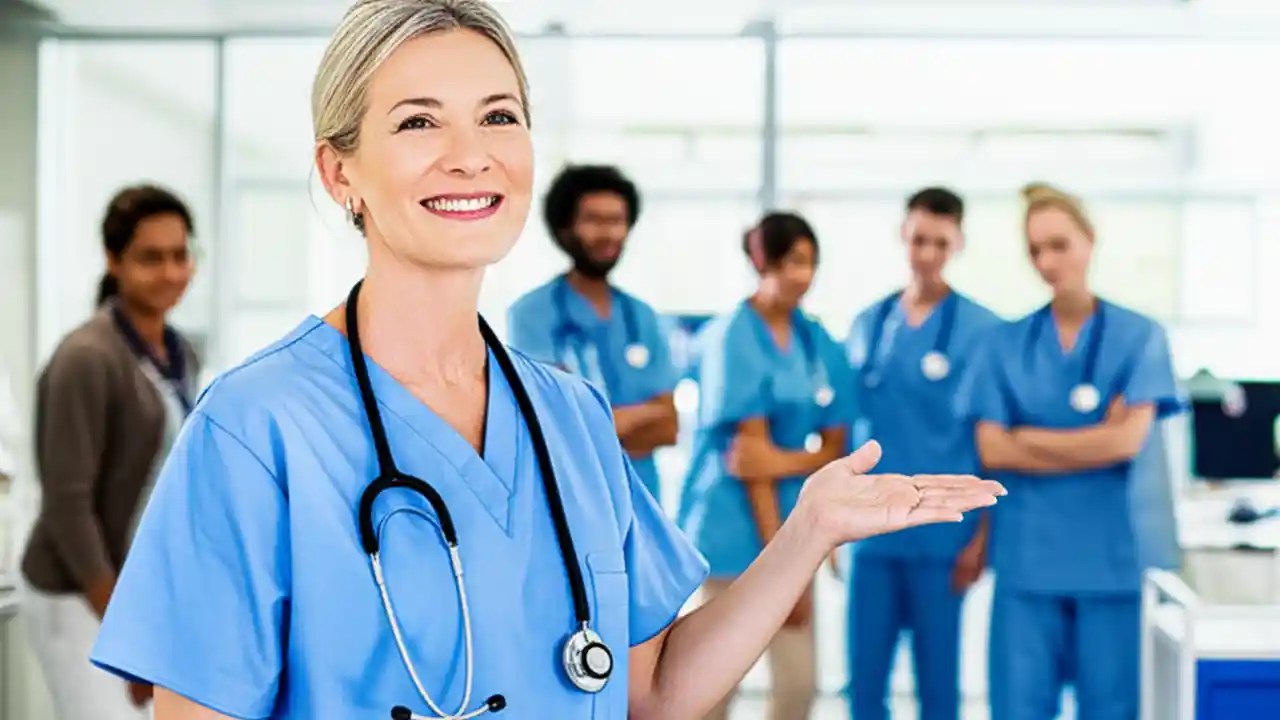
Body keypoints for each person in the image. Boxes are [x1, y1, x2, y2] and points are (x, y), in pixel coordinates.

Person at [88, 3, 1004, 719]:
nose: (470, 155)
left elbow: (655, 692)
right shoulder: (257, 426)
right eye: (417, 123)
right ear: (340, 173)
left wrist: (806, 532)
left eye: (499, 115)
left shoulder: (567, 416)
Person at [957, 183, 1184, 720]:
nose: (1047, 261)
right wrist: (1091, 441)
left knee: (1111, 708)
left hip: (1110, 566)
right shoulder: (1004, 344)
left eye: (1059, 244)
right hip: (1027, 567)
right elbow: (991, 447)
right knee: (1018, 709)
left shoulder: (1140, 337)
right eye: (1035, 250)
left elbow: (1128, 441)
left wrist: (1028, 438)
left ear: (1090, 240)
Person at [20, 184, 199, 720]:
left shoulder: (179, 350)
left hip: (131, 588)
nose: (170, 272)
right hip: (77, 589)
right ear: (113, 261)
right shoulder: (86, 358)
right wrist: (125, 629)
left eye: (180, 255)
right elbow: (67, 507)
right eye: (151, 258)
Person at [676, 212, 855, 720]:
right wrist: (785, 567)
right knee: (709, 689)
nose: (803, 275)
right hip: (733, 532)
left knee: (799, 685)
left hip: (796, 527)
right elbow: (749, 467)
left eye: (810, 263)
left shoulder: (815, 338)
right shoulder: (734, 335)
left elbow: (837, 444)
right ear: (762, 263)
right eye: (792, 261)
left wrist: (793, 461)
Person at [843, 188, 1002, 720]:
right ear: (902, 237)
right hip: (871, 536)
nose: (927, 253)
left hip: (942, 536)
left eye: (940, 242)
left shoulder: (983, 331)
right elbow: (850, 430)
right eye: (918, 239)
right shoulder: (869, 322)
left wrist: (980, 538)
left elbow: (991, 446)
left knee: (939, 685)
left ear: (957, 243)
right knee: (863, 684)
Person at [507, 164, 677, 500]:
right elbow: (554, 426)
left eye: (617, 221)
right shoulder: (533, 314)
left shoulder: (642, 317)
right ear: (566, 227)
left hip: (641, 500)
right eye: (594, 220)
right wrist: (642, 412)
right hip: (567, 498)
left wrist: (601, 423)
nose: (608, 234)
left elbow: (669, 427)